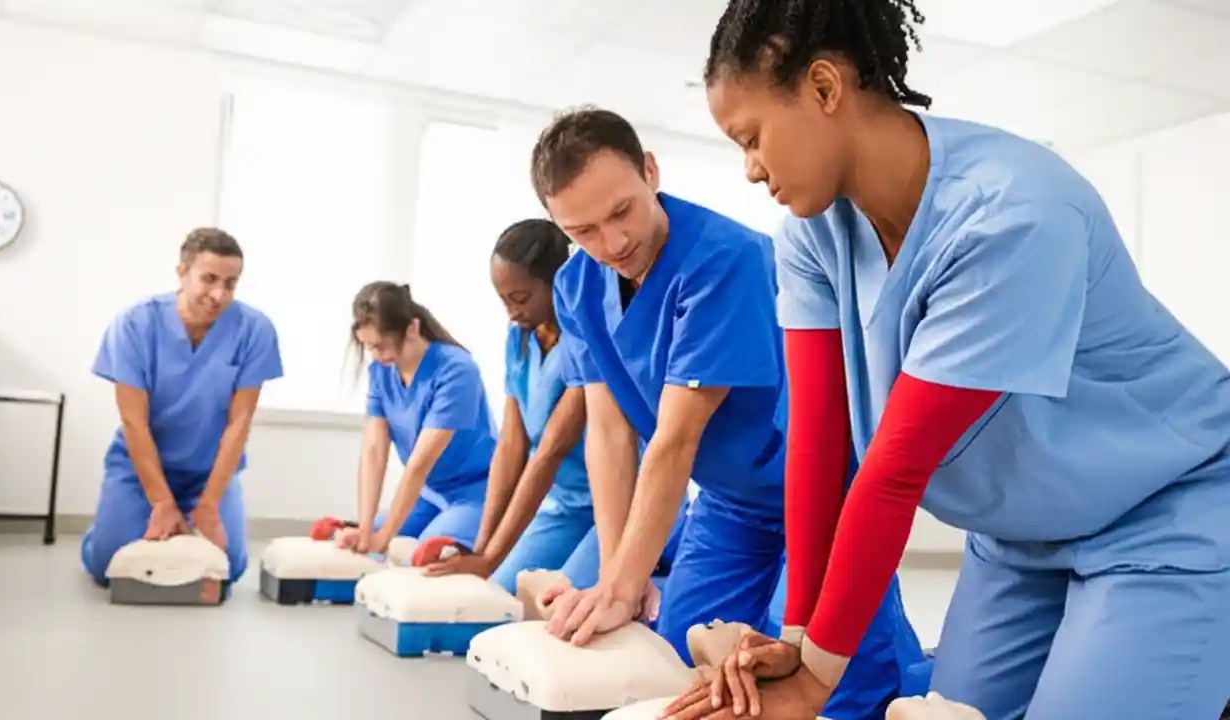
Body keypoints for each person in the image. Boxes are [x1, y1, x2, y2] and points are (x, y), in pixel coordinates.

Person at [688, 1, 1230, 719]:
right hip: (1015, 537)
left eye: (752, 138)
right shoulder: (812, 237)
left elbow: (895, 468)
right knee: (937, 710)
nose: (752, 171)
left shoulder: (1013, 212)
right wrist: (796, 638)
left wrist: (819, 675)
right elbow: (819, 446)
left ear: (824, 88)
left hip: (1162, 507)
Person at [531, 107, 925, 720]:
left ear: (651, 172)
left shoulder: (723, 258)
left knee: (833, 678)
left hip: (818, 490)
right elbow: (608, 433)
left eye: (621, 211)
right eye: (582, 230)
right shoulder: (576, 285)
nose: (612, 244)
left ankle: (916, 679)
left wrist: (629, 582)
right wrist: (617, 578)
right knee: (679, 660)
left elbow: (674, 439)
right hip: (729, 500)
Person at [423, 219, 688, 592]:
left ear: (559, 284)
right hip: (569, 505)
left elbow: (549, 451)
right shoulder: (518, 340)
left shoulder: (587, 337)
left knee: (561, 600)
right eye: (503, 300)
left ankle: (663, 571)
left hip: (623, 504)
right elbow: (512, 446)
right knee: (499, 594)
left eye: (520, 299)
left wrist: (488, 558)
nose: (511, 313)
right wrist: (481, 550)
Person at [81, 228, 282, 586]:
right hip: (139, 469)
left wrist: (209, 503)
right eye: (209, 279)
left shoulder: (254, 329)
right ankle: (111, 524)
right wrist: (161, 502)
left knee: (228, 568)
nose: (219, 294)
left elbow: (239, 424)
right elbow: (134, 422)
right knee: (108, 566)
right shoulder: (134, 325)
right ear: (182, 273)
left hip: (209, 471)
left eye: (230, 283)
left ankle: (186, 519)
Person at [334, 282, 495, 555]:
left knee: (422, 554)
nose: (377, 356)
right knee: (361, 545)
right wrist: (365, 530)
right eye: (369, 348)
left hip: (478, 492)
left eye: (381, 346)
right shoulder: (381, 372)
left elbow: (420, 463)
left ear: (412, 329)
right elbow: (374, 453)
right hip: (430, 493)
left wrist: (383, 537)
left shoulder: (456, 370)